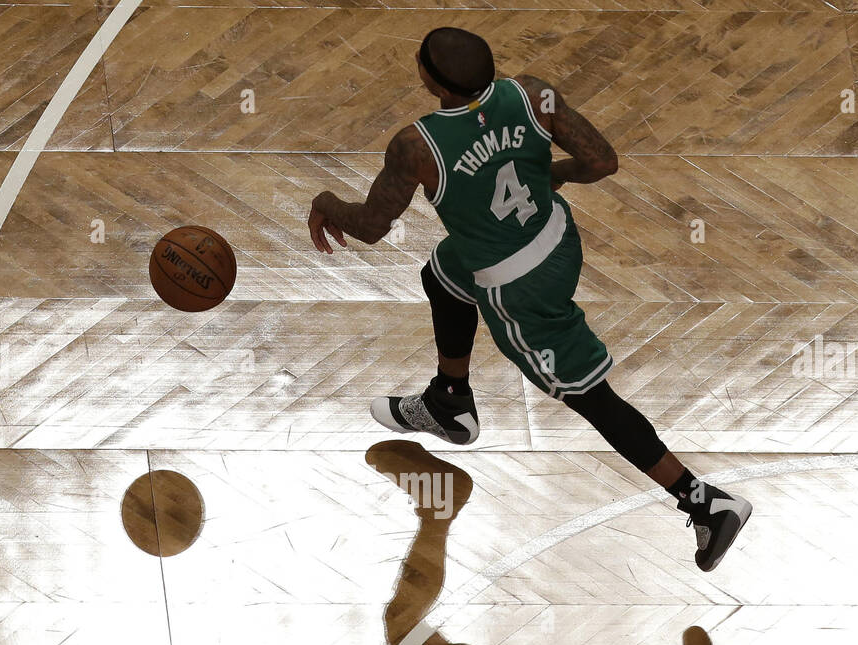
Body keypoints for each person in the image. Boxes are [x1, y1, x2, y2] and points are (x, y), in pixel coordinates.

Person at [306, 26, 751, 571]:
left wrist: (326, 200)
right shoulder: (532, 93)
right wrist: (548, 174)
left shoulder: (417, 145)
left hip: (518, 287)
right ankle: (450, 400)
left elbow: (372, 226)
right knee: (444, 272)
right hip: (555, 238)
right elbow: (601, 162)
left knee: (592, 396)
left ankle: (704, 502)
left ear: (428, 79)